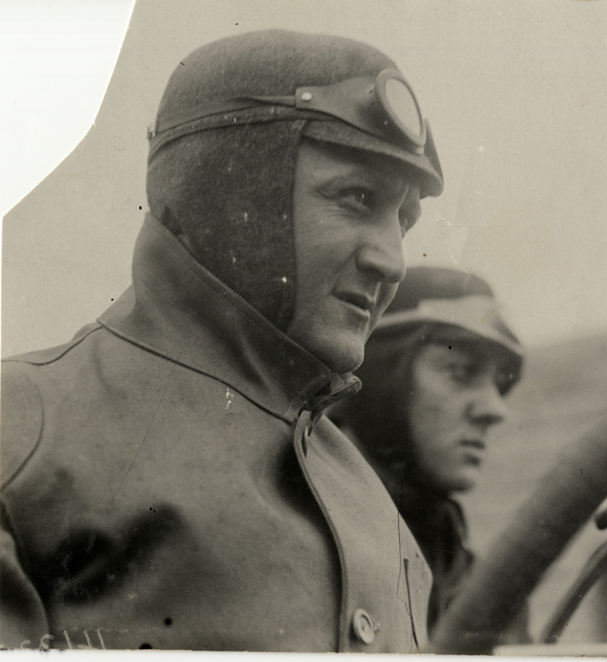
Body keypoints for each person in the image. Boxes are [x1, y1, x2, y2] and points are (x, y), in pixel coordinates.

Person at [0, 30, 443, 653]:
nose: (393, 261)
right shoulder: (19, 429)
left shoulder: (377, 511)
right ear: (232, 194)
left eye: (403, 221)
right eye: (358, 198)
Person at [328, 266, 530, 642]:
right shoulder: (306, 538)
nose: (495, 409)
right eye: (460, 372)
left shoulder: (483, 588)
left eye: (499, 384)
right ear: (381, 378)